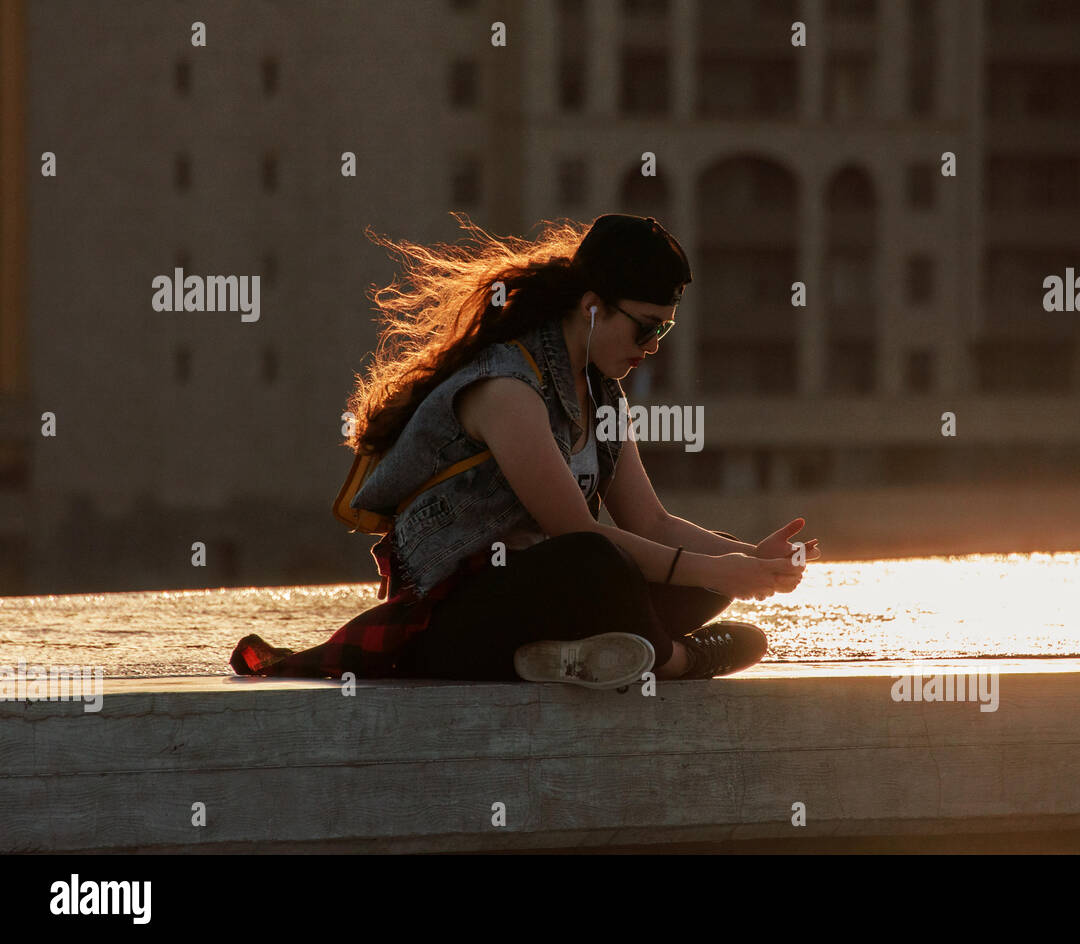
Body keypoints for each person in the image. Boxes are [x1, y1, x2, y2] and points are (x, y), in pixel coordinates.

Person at [231, 212, 819, 688]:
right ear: (593, 308)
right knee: (596, 560)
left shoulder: (602, 395)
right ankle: (673, 662)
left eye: (663, 332)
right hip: (456, 621)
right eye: (645, 327)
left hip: (546, 604)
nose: (652, 347)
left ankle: (575, 656)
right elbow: (574, 535)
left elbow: (654, 521)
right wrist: (724, 572)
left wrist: (749, 563)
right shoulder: (507, 389)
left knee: (696, 588)